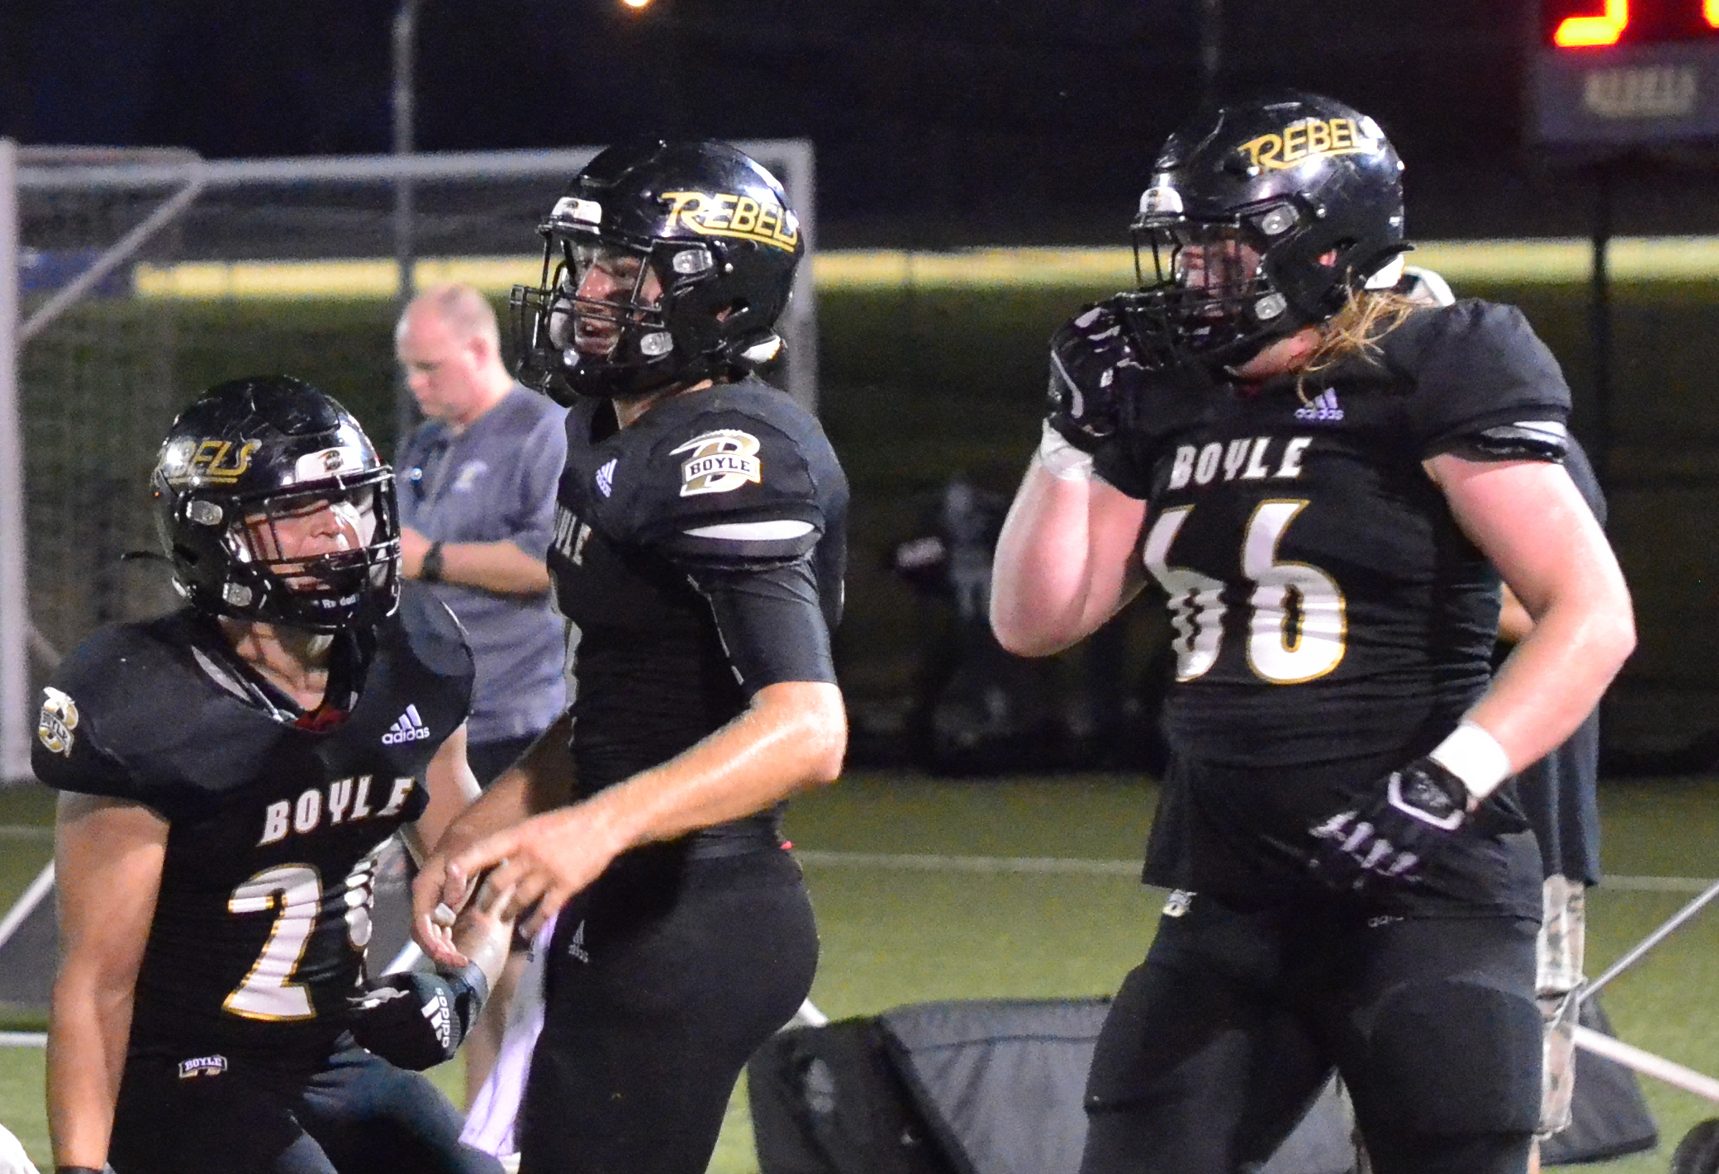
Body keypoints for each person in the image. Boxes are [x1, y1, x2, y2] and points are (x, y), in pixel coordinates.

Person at [989, 92, 1635, 1174]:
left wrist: (1444, 782)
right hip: (1234, 886)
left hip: (1421, 881)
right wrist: (1068, 434)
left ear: (1330, 248)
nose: (1196, 275)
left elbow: (1590, 611)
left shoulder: (1441, 360)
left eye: (1226, 249)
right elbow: (1037, 618)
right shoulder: (1177, 396)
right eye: (1188, 249)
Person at [411, 139, 848, 1174]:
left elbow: (806, 725)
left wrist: (591, 827)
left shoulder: (730, 452)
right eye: (587, 263)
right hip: (643, 897)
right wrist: (503, 811)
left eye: (624, 268)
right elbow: (627, 688)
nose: (589, 292)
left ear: (718, 291)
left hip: (699, 907)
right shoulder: (612, 432)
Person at [37, 375, 511, 1174]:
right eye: (298, 513)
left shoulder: (415, 652)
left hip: (331, 1050)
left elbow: (484, 875)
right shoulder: (146, 701)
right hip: (179, 1068)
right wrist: (83, 1168)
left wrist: (461, 989)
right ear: (213, 536)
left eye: (350, 502)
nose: (340, 534)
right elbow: (95, 986)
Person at [1399, 265, 1609, 1173]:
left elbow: (1554, 605)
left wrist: (1363, 584)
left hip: (1511, 829)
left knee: (1493, 1122)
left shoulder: (1509, 434)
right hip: (1397, 826)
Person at [393, 281, 569, 1105]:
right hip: (427, 729)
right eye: (409, 371)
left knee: (511, 949)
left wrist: (429, 557)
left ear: (475, 349)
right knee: (456, 945)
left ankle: (515, 1130)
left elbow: (548, 566)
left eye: (428, 368)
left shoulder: (540, 432)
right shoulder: (424, 445)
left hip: (513, 728)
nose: (417, 386)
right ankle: (481, 1138)